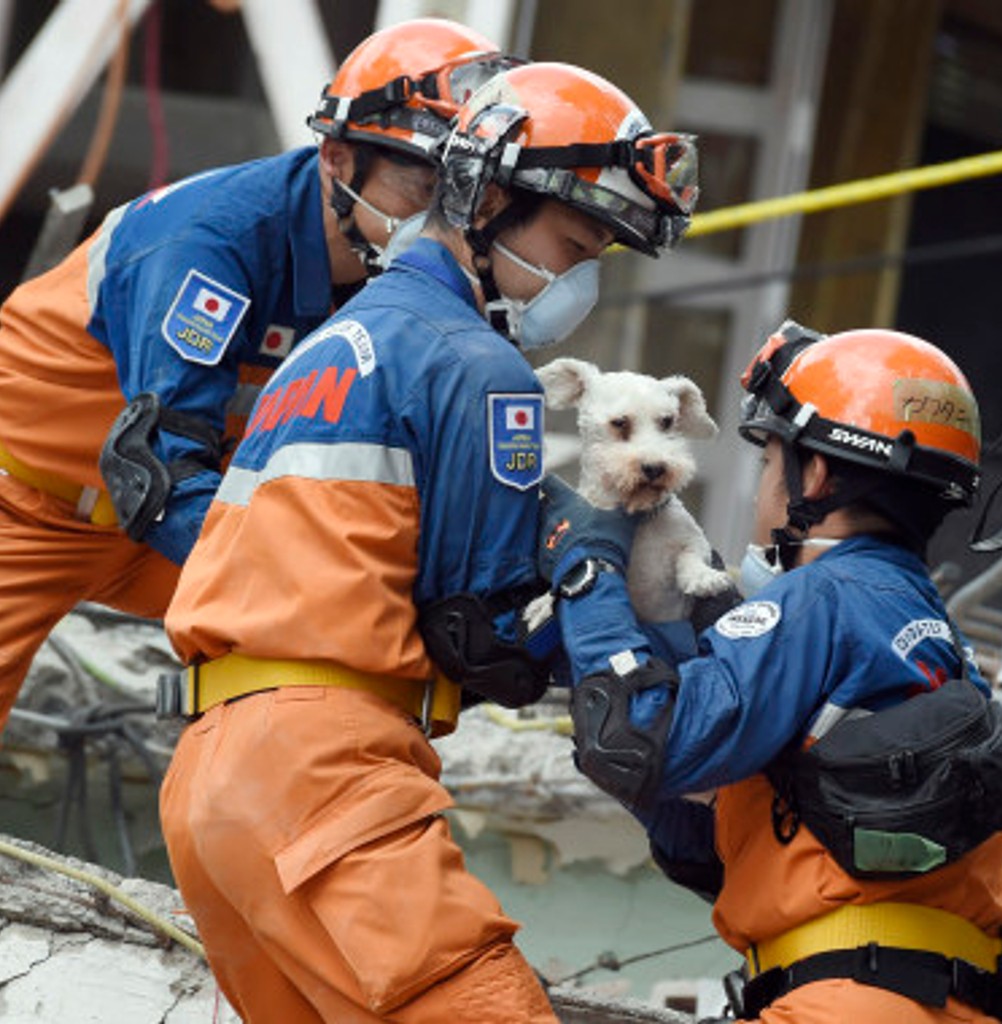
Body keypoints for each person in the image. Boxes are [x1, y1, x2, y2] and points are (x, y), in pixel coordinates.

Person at [157, 61, 698, 1023]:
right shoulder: (478, 367)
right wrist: (609, 577)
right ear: (484, 196)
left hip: (211, 780)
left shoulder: (333, 343)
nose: (578, 280)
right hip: (326, 774)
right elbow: (481, 639)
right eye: (574, 243)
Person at [0, 17, 512, 734]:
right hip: (27, 514)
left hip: (186, 524)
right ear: (336, 157)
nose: (439, 215)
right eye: (420, 181)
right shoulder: (212, 244)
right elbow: (157, 469)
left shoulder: (404, 278)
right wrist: (301, 580)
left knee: (343, 664)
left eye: (461, 192)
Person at [538, 323, 1002, 1023]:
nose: (764, 487)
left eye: (770, 461)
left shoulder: (817, 601)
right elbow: (712, 846)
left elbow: (639, 740)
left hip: (840, 1000)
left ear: (815, 475)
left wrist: (589, 576)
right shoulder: (921, 624)